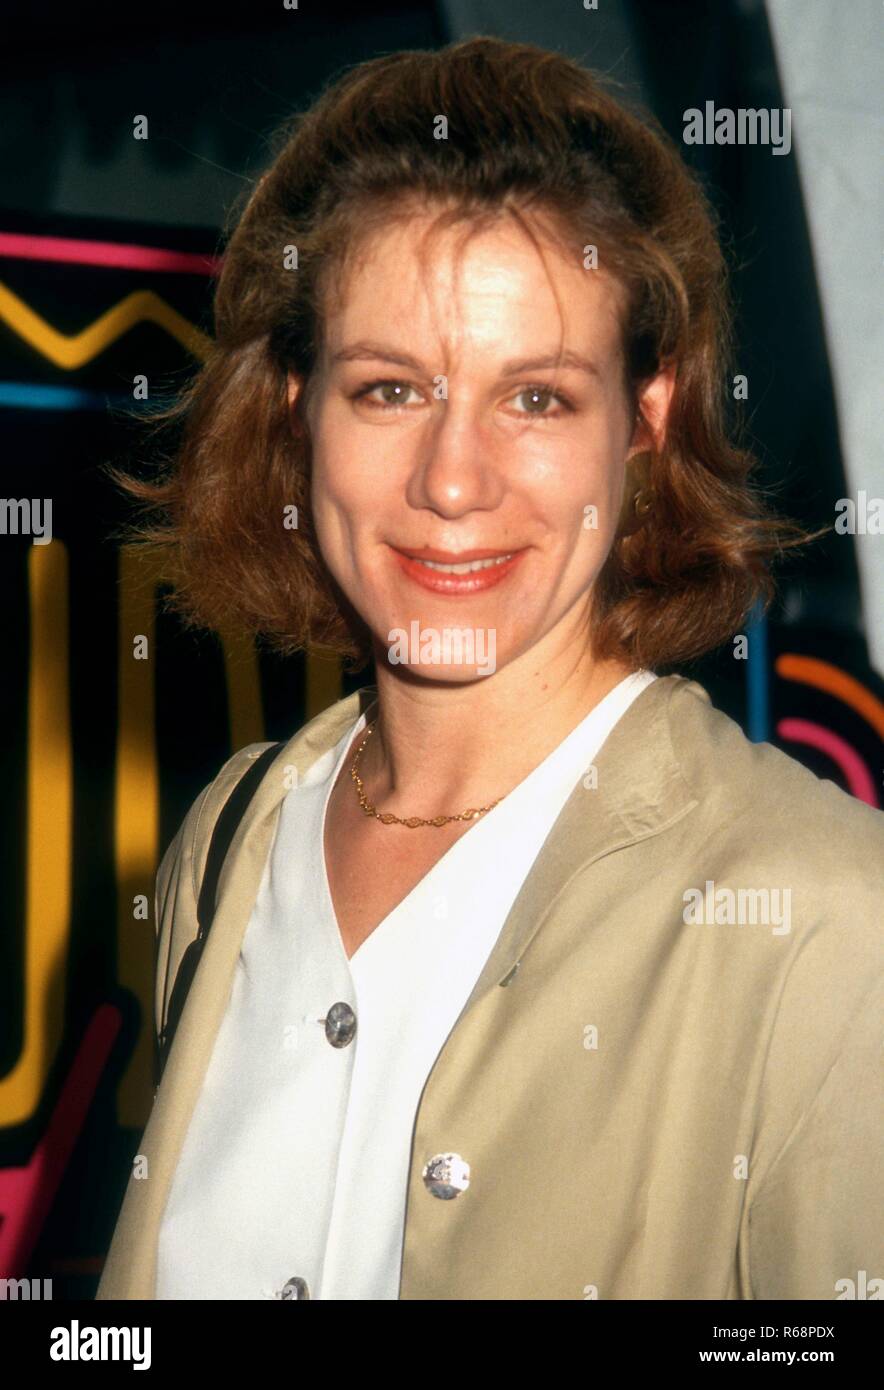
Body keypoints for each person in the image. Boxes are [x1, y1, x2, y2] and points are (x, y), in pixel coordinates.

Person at [97, 36, 883, 1301]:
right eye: (392, 388)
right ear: (297, 406)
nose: (452, 483)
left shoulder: (827, 915)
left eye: (536, 400)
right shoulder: (231, 837)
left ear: (646, 420)